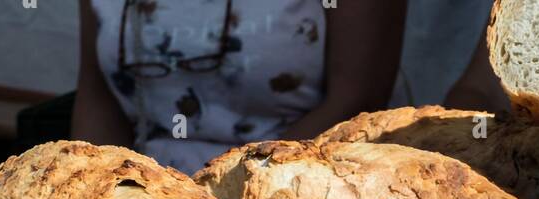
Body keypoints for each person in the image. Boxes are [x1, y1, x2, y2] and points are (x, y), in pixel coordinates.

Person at [71, 0, 407, 175]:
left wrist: (223, 195)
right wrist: (99, 190)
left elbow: (356, 99)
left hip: (293, 185)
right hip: (147, 190)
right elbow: (98, 92)